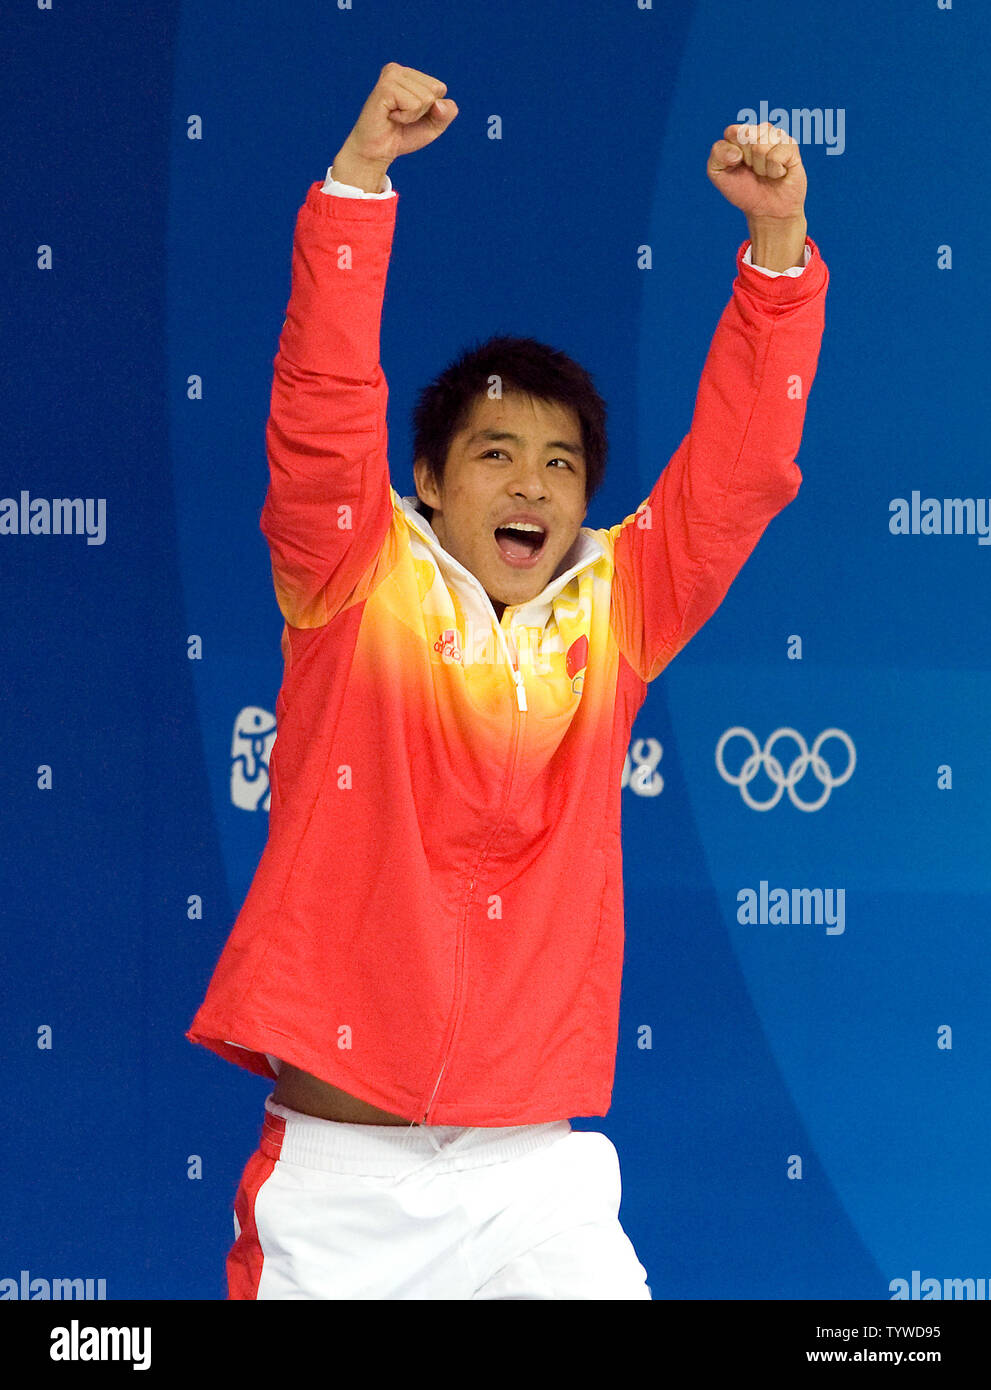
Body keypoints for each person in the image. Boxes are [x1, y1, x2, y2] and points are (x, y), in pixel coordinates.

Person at [187, 62, 828, 1299]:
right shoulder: (349, 579)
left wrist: (777, 246)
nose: (531, 483)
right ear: (427, 478)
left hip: (534, 1184)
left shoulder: (625, 604)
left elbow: (739, 472)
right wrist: (359, 181)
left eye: (560, 463)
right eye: (495, 453)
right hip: (338, 1181)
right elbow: (320, 406)